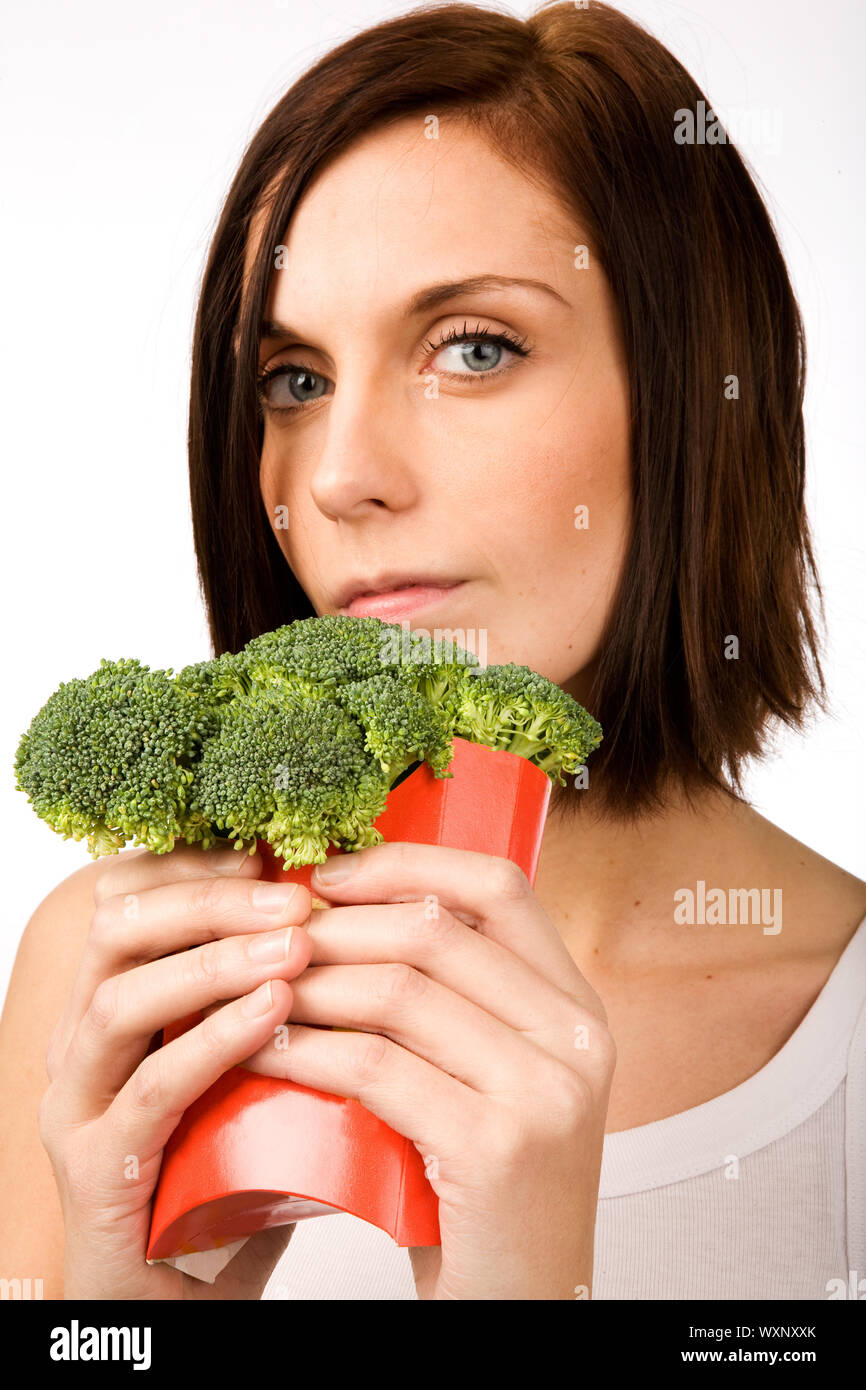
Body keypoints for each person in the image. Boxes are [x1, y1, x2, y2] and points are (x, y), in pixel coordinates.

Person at [2, 0, 864, 1301]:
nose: (340, 476)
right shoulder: (118, 969)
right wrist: (122, 1314)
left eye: (472, 348)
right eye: (294, 377)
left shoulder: (833, 1022)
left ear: (695, 393)